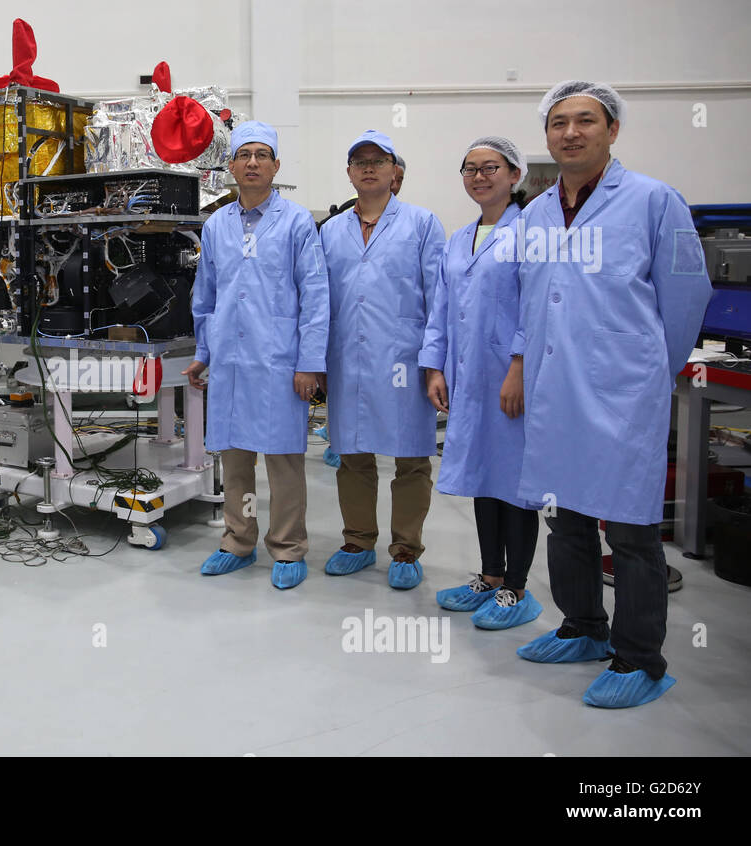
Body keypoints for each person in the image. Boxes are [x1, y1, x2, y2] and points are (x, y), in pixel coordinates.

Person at [511, 81, 711, 708]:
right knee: (565, 517)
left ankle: (640, 658)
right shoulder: (538, 211)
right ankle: (582, 627)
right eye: (558, 123)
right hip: (556, 390)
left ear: (612, 130)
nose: (570, 132)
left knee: (630, 532)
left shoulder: (655, 200)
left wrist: (651, 368)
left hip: (623, 392)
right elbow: (532, 298)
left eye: (585, 121)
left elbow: (686, 293)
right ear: (547, 136)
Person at [183, 120, 329, 590]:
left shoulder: (296, 222)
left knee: (284, 460)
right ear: (231, 166)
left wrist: (310, 363)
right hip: (228, 359)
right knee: (236, 458)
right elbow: (205, 298)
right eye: (243, 154)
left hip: (280, 359)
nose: (251, 162)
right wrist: (203, 354)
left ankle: (287, 547)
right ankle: (238, 540)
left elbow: (316, 296)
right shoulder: (217, 226)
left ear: (276, 167)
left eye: (261, 155)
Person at [421, 136, 542, 629]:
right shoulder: (458, 238)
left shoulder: (530, 232)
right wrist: (434, 367)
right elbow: (441, 311)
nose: (479, 176)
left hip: (511, 378)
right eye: (470, 168)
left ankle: (518, 586)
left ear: (515, 176)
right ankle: (490, 577)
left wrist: (517, 367)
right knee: (481, 477)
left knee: (514, 482)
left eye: (490, 167)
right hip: (468, 379)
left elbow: (536, 307)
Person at [319, 130, 445, 590]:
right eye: (359, 160)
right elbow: (319, 303)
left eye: (379, 160)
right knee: (352, 454)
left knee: (412, 457)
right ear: (349, 172)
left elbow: (439, 298)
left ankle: (406, 547)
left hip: (405, 358)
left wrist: (435, 362)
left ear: (396, 171)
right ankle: (357, 541)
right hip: (346, 357)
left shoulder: (422, 223)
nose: (369, 167)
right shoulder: (331, 231)